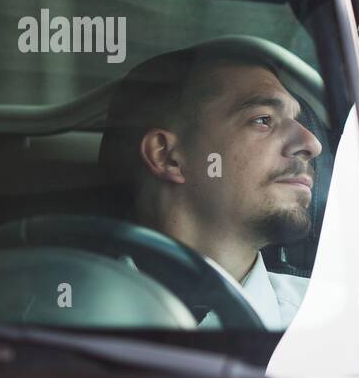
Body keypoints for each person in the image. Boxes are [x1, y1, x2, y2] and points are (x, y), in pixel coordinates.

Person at [99, 40, 321, 330]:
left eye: (297, 120)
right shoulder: (47, 313)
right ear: (168, 156)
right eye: (263, 120)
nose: (312, 144)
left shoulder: (342, 329)